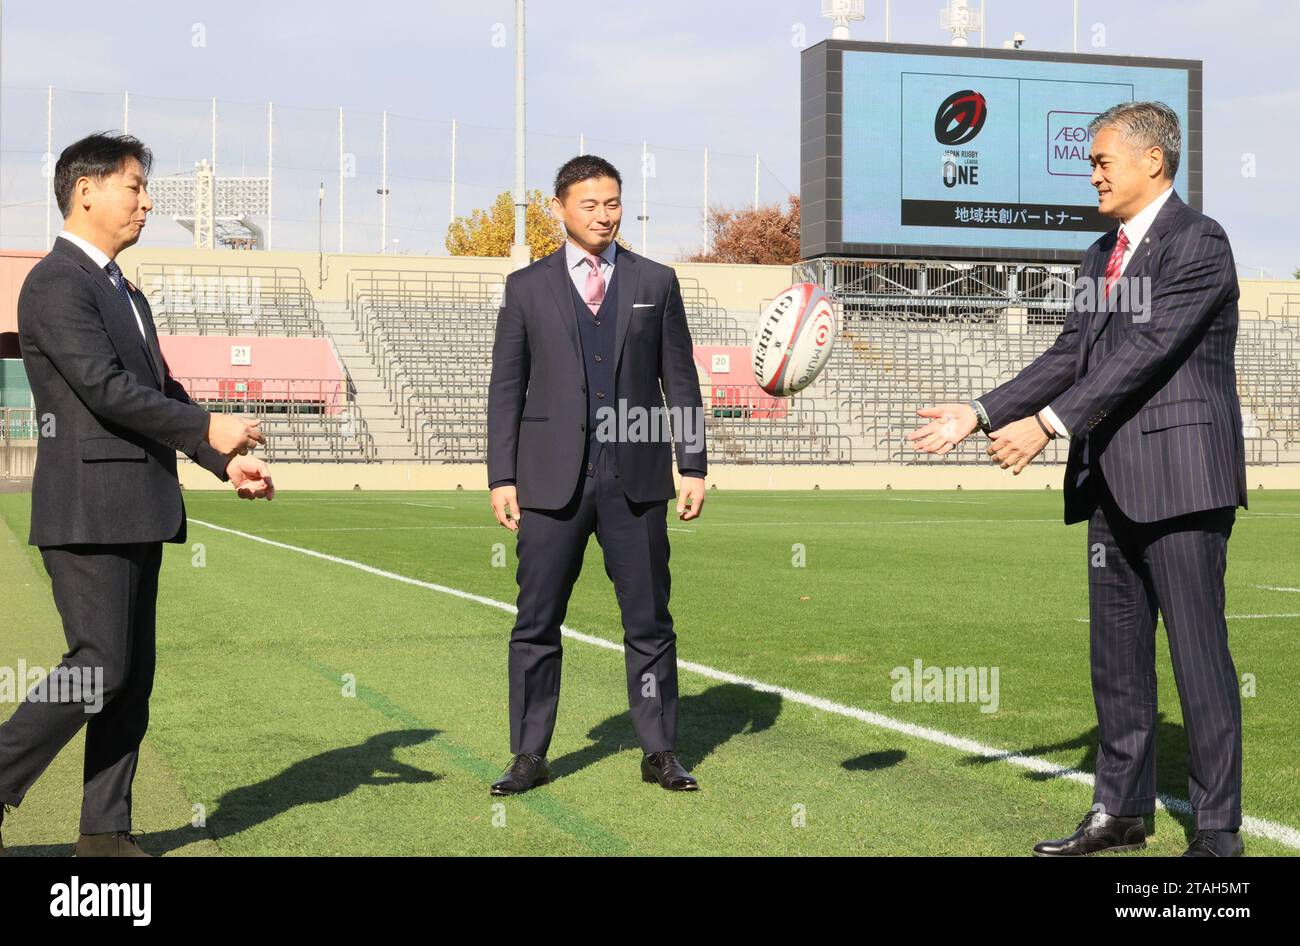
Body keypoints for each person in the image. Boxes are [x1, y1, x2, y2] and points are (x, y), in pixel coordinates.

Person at [909, 102, 1248, 857]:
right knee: (1116, 660)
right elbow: (1071, 355)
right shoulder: (1100, 254)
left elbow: (1147, 352)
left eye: (1102, 160)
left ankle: (1218, 833)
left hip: (1183, 480)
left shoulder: (1200, 241)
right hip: (1108, 484)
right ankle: (1121, 812)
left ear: (1153, 161)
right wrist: (980, 410)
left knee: (1200, 660)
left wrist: (1048, 426)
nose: (1091, 172)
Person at [0, 133, 274, 858]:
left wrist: (223, 460)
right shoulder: (57, 282)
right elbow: (105, 389)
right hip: (87, 509)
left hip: (139, 506)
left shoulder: (125, 289)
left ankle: (104, 833)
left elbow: (158, 392)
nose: (147, 201)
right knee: (99, 667)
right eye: (134, 186)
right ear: (84, 191)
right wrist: (209, 424)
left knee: (129, 681)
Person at [486, 155, 707, 795]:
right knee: (535, 621)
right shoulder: (526, 288)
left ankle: (661, 750)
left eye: (612, 203)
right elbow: (507, 388)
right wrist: (504, 476)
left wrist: (690, 463)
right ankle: (529, 754)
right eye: (590, 204)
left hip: (635, 482)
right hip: (550, 483)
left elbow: (681, 382)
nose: (604, 215)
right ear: (560, 208)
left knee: (648, 621)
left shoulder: (656, 281)